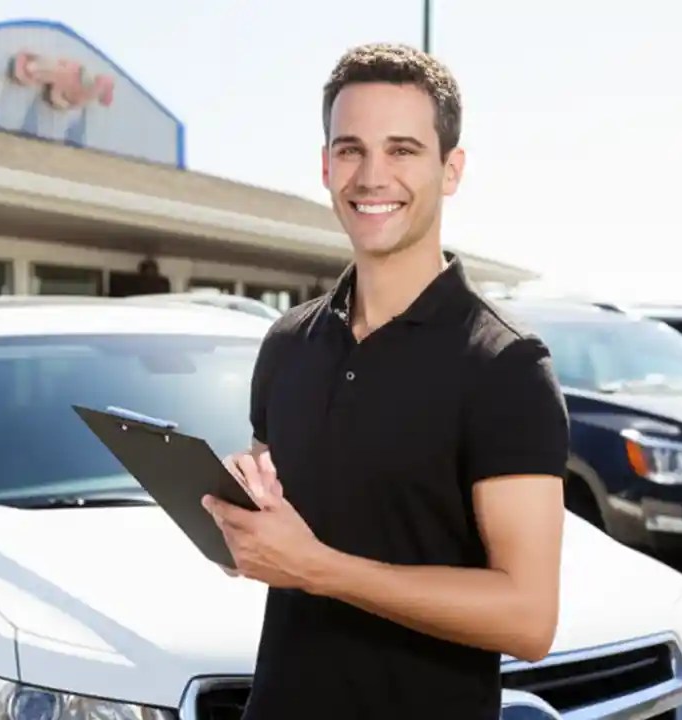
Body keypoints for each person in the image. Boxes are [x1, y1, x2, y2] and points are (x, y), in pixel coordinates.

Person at [200, 42, 571, 720]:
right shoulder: (287, 344)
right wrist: (238, 529)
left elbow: (528, 617)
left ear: (450, 169)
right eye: (350, 149)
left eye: (402, 150)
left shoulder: (505, 366)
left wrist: (318, 567)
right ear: (324, 165)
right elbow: (274, 542)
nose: (372, 176)